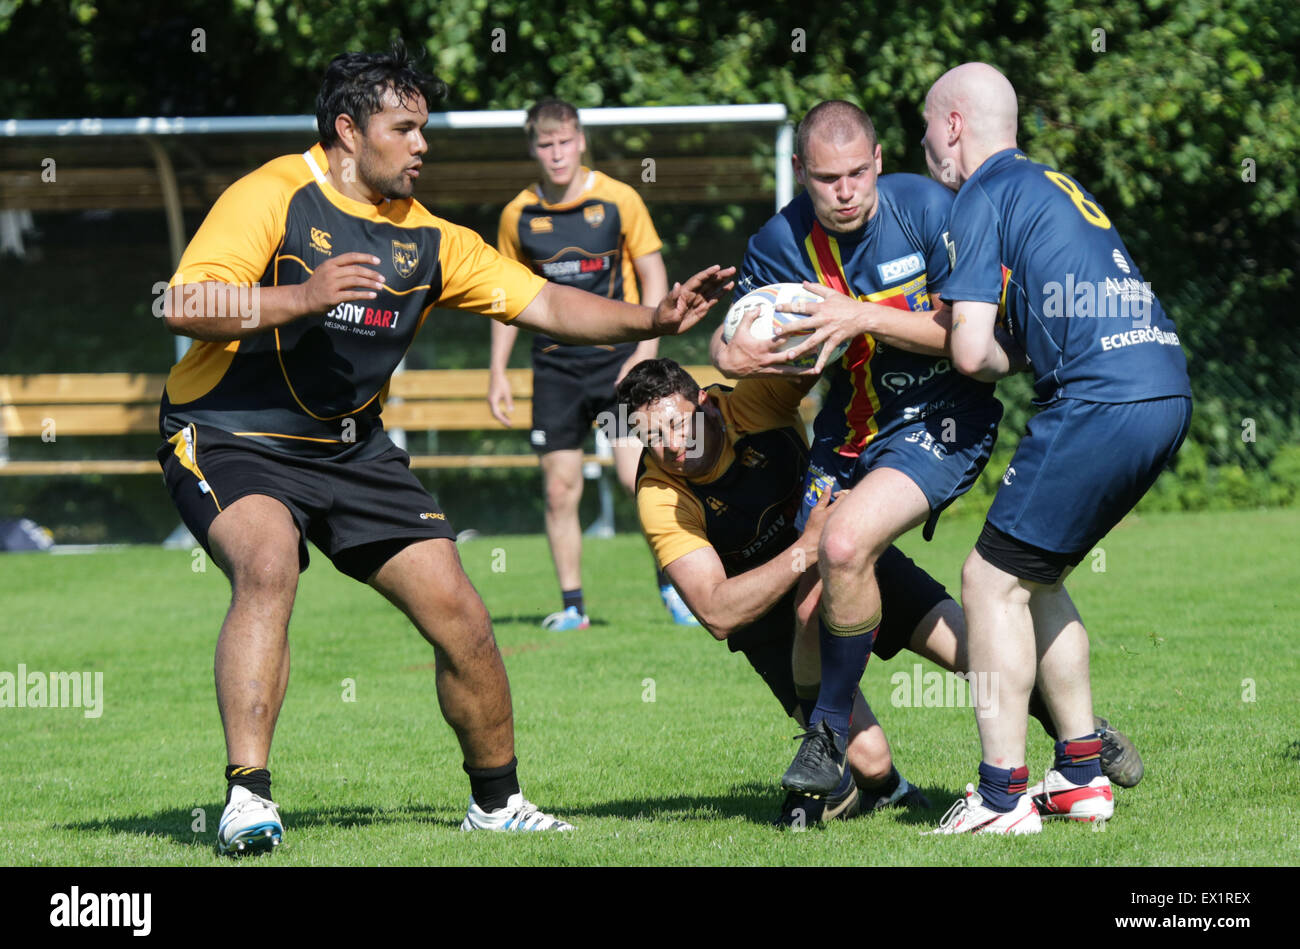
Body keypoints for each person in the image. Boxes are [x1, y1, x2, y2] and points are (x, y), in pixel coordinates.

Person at [156, 43, 731, 852]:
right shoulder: (275, 192)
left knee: (461, 613)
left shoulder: (430, 239)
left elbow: (547, 306)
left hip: (353, 451)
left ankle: (497, 805)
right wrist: (303, 296)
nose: (423, 144)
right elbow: (182, 300)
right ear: (349, 131)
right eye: (406, 127)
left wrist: (651, 319)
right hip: (229, 433)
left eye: (425, 127)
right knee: (267, 561)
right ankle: (249, 798)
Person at [616, 358, 1143, 828]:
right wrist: (807, 547)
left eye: (677, 426)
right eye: (650, 438)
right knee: (870, 760)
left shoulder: (751, 402)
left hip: (853, 562)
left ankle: (1079, 733)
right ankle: (884, 793)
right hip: (772, 622)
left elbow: (823, 356)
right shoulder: (660, 494)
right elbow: (717, 612)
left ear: (704, 402)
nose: (669, 448)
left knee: (975, 654)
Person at [918, 63, 1192, 834]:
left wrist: (1010, 349)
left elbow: (971, 352)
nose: (925, 145)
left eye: (926, 127)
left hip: (1101, 398)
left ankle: (1000, 798)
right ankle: (1078, 776)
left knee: (986, 582)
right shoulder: (1052, 181)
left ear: (955, 125)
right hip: (1164, 385)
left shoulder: (980, 195)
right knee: (1034, 579)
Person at [712, 101, 1004, 802]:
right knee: (811, 603)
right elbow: (733, 343)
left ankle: (828, 736)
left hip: (942, 418)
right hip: (848, 434)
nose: (843, 192)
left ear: (877, 162)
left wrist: (861, 315)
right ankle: (1071, 720)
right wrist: (736, 351)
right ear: (798, 173)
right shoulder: (779, 242)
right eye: (825, 179)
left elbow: (980, 345)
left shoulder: (928, 209)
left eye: (855, 174)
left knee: (841, 546)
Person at [489, 98, 697, 630]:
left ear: (580, 141)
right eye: (545, 144)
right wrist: (497, 374)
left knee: (641, 480)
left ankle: (674, 587)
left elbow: (654, 274)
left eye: (564, 142)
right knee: (560, 490)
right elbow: (501, 297)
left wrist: (645, 350)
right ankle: (573, 607)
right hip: (555, 370)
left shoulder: (618, 198)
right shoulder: (518, 215)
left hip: (618, 370)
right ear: (533, 149)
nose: (556, 154)